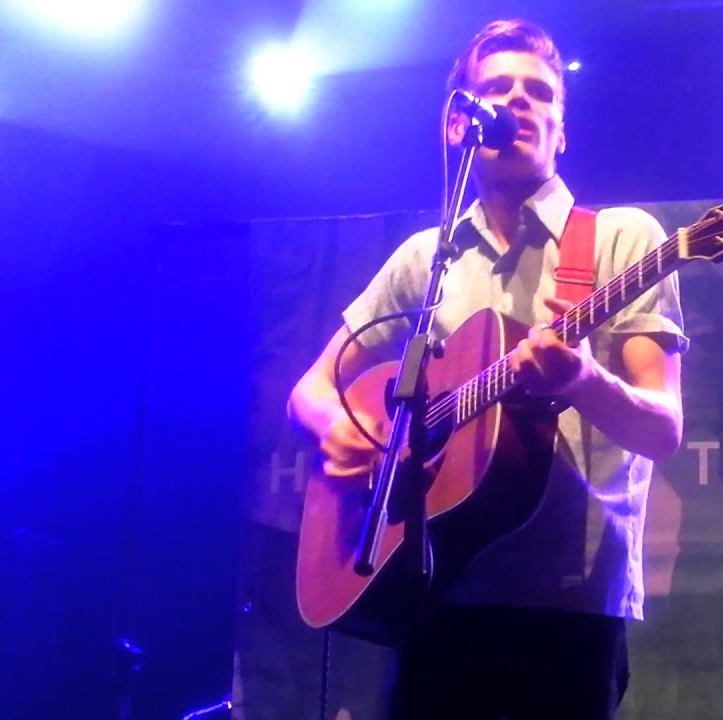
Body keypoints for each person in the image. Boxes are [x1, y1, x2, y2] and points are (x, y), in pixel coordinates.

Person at [287, 19, 687, 720]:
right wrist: (340, 429)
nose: (519, 101)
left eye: (540, 92)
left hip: (569, 609)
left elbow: (663, 430)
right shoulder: (426, 257)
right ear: (460, 124)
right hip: (437, 592)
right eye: (498, 88)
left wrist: (582, 380)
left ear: (562, 131)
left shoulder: (623, 239)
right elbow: (310, 388)